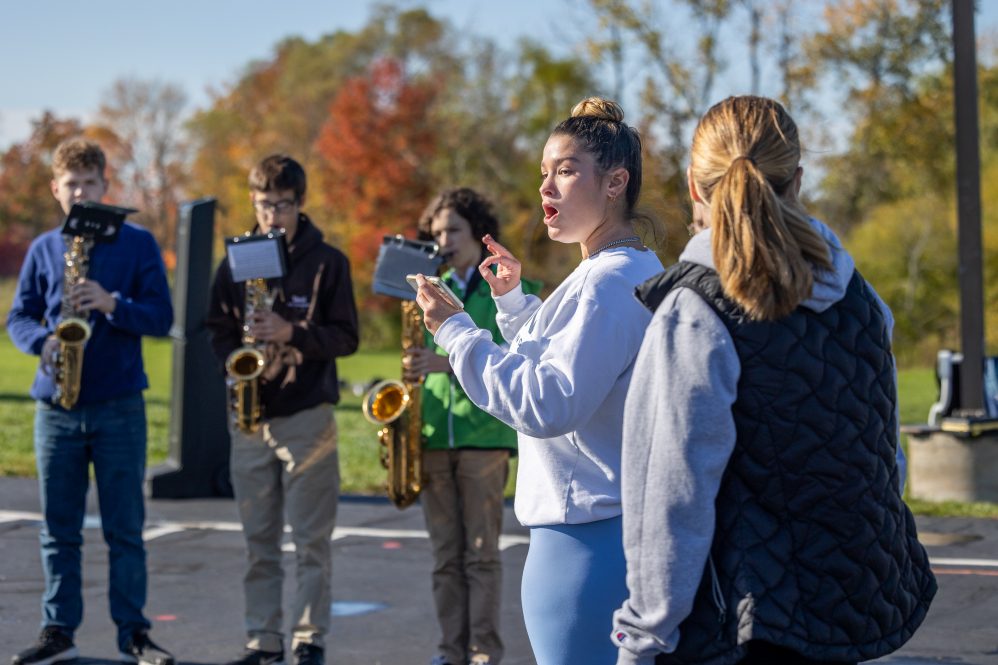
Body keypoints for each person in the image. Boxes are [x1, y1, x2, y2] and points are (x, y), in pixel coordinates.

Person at [611, 95, 937, 665]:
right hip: (848, 605)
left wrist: (643, 638)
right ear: (798, 180)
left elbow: (669, 498)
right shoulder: (858, 297)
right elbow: (884, 457)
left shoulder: (696, 311)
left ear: (693, 185)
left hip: (745, 625)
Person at [413, 98, 664, 665]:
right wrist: (514, 306)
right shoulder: (626, 269)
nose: (546, 189)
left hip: (585, 544)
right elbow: (573, 371)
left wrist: (455, 331)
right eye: (544, 173)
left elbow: (550, 403)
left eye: (566, 171)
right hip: (607, 532)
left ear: (615, 183)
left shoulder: (608, 281)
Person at [7, 139, 175, 665]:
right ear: (56, 189)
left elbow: (161, 317)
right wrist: (44, 342)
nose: (80, 193)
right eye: (70, 184)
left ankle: (134, 634)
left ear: (106, 186)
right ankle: (58, 631)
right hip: (55, 407)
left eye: (90, 183)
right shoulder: (43, 248)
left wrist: (112, 303)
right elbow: (19, 317)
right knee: (58, 530)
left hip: (120, 403)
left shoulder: (138, 243)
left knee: (125, 528)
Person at [206, 154, 359, 665]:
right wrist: (236, 359)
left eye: (284, 205)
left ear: (301, 203)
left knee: (311, 540)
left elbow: (346, 336)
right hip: (250, 415)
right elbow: (217, 329)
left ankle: (309, 638)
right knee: (259, 540)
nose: (274, 215)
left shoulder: (327, 262)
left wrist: (290, 333)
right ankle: (262, 640)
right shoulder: (235, 261)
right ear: (252, 200)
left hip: (307, 412)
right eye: (265, 204)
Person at [403, 188, 541, 665]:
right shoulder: (427, 288)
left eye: (453, 230)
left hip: (484, 436)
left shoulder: (499, 286)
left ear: (478, 235)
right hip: (433, 437)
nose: (443, 240)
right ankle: (450, 652)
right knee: (445, 559)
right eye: (437, 232)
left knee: (482, 556)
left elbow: (511, 356)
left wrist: (441, 364)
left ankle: (484, 653)